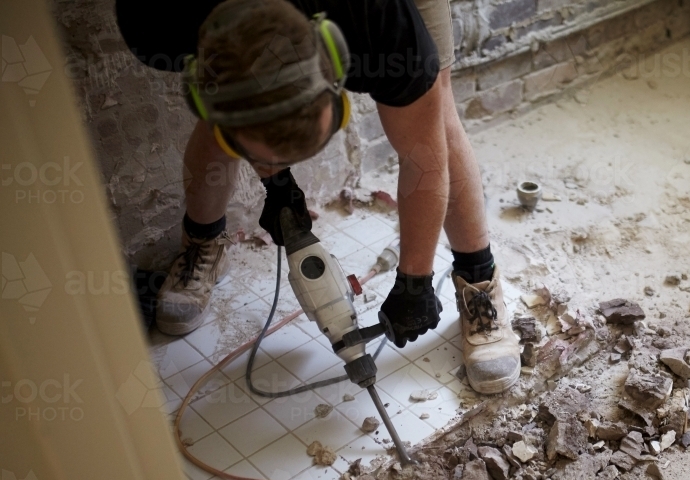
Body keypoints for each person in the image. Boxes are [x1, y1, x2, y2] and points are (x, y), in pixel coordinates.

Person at [115, 0, 521, 394]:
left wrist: (415, 279)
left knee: (435, 111)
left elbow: (424, 160)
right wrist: (277, 185)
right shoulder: (155, 20)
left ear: (336, 67)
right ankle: (202, 244)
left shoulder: (384, 27)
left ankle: (479, 276)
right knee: (226, 115)